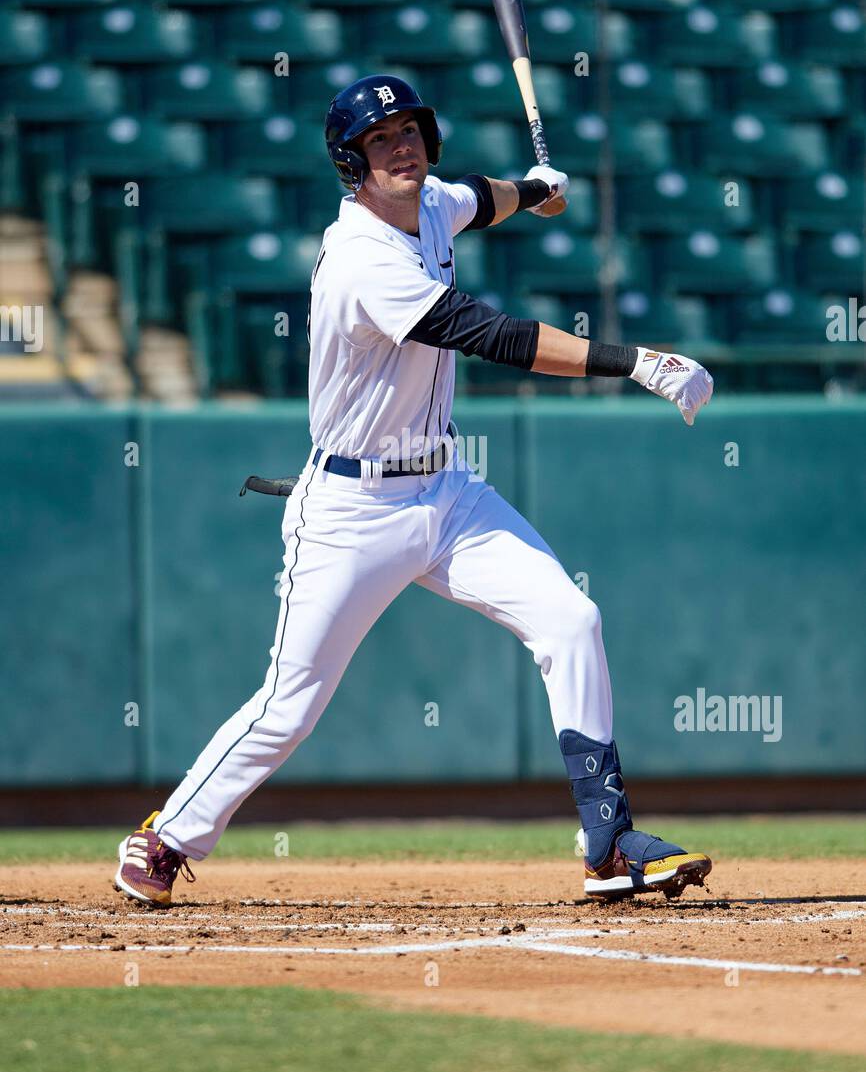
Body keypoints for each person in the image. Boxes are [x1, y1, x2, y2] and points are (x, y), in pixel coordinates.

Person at [114, 75, 714, 909]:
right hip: (352, 510)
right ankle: (164, 837)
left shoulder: (429, 199)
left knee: (572, 619)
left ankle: (607, 843)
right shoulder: (361, 257)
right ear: (350, 164)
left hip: (445, 489)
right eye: (379, 139)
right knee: (291, 704)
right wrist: (636, 361)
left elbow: (477, 198)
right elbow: (490, 335)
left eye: (410, 131)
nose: (400, 147)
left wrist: (533, 190)